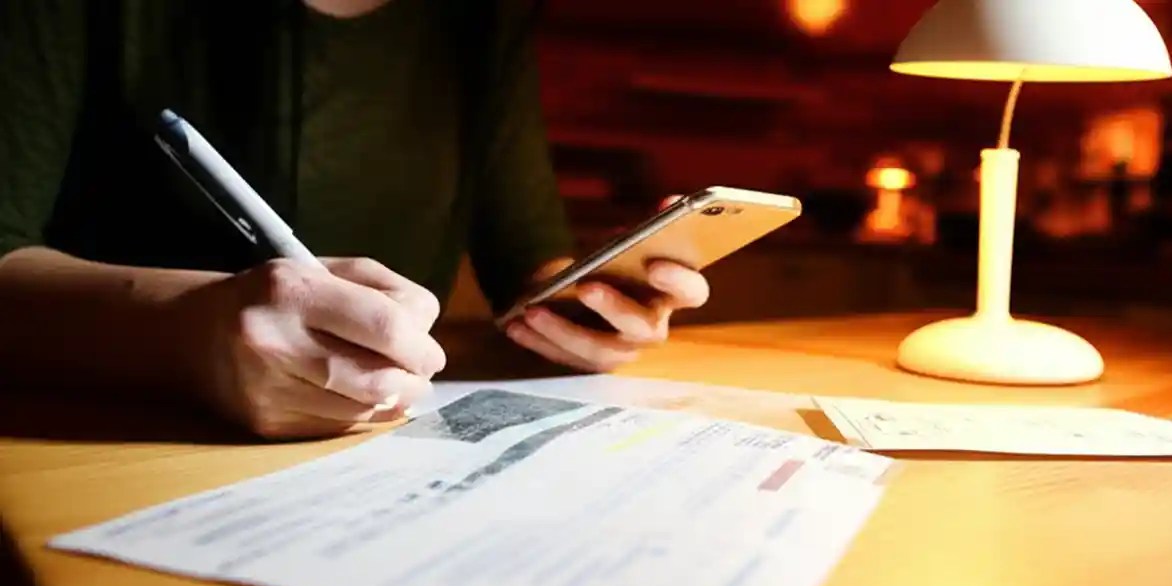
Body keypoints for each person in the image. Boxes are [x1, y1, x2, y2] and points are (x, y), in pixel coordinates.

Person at [0, 0, 710, 438]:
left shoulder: (483, 17)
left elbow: (529, 260)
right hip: (92, 445)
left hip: (378, 448)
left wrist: (597, 301)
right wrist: (192, 333)